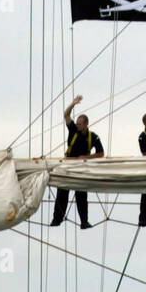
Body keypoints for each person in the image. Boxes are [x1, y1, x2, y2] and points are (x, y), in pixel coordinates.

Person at [50, 96, 104, 230]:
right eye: (78, 123)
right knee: (62, 192)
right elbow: (66, 115)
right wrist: (73, 104)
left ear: (86, 124)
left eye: (80, 123)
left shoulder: (93, 136)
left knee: (81, 195)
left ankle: (84, 222)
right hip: (68, 164)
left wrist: (86, 157)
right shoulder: (73, 130)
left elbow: (100, 153)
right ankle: (57, 219)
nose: (78, 125)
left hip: (81, 166)